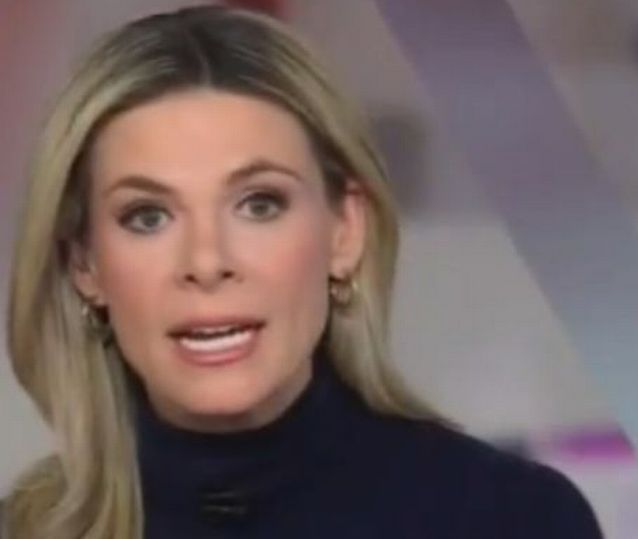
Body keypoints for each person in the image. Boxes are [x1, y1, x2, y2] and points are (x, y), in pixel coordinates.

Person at [2, 6, 603, 538]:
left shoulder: (516, 519)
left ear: (345, 230)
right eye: (148, 216)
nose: (206, 262)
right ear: (84, 264)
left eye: (259, 204)